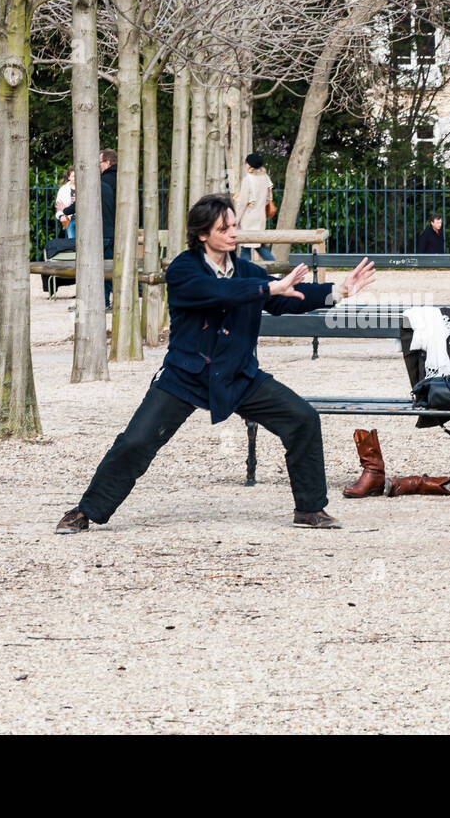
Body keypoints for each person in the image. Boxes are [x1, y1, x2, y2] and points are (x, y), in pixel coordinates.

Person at [54, 194, 379, 534]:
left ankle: (311, 509)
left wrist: (339, 291)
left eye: (234, 225)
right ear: (203, 234)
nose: (232, 233)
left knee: (303, 419)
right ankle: (85, 511)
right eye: (224, 228)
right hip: (185, 375)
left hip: (239, 375)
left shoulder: (249, 272)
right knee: (135, 442)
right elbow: (219, 292)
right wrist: (268, 287)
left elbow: (290, 299)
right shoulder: (183, 269)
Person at [62, 149, 117, 305]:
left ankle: (98, 301)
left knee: (94, 269)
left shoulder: (97, 186)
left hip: (99, 233)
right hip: (113, 231)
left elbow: (79, 206)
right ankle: (106, 300)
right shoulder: (109, 186)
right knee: (108, 268)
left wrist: (64, 211)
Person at [234, 152, 275, 262]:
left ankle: (244, 273)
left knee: (246, 246)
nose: (245, 164)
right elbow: (268, 197)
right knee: (259, 244)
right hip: (260, 216)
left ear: (250, 164)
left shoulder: (248, 179)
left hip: (249, 216)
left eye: (246, 162)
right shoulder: (265, 177)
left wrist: (235, 220)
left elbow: (242, 203)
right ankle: (276, 267)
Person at [55, 167, 76, 239]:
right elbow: (58, 206)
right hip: (69, 221)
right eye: (73, 176)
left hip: (84, 221)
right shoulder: (63, 190)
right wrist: (61, 216)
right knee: (72, 244)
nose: (75, 178)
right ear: (69, 177)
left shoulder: (85, 188)